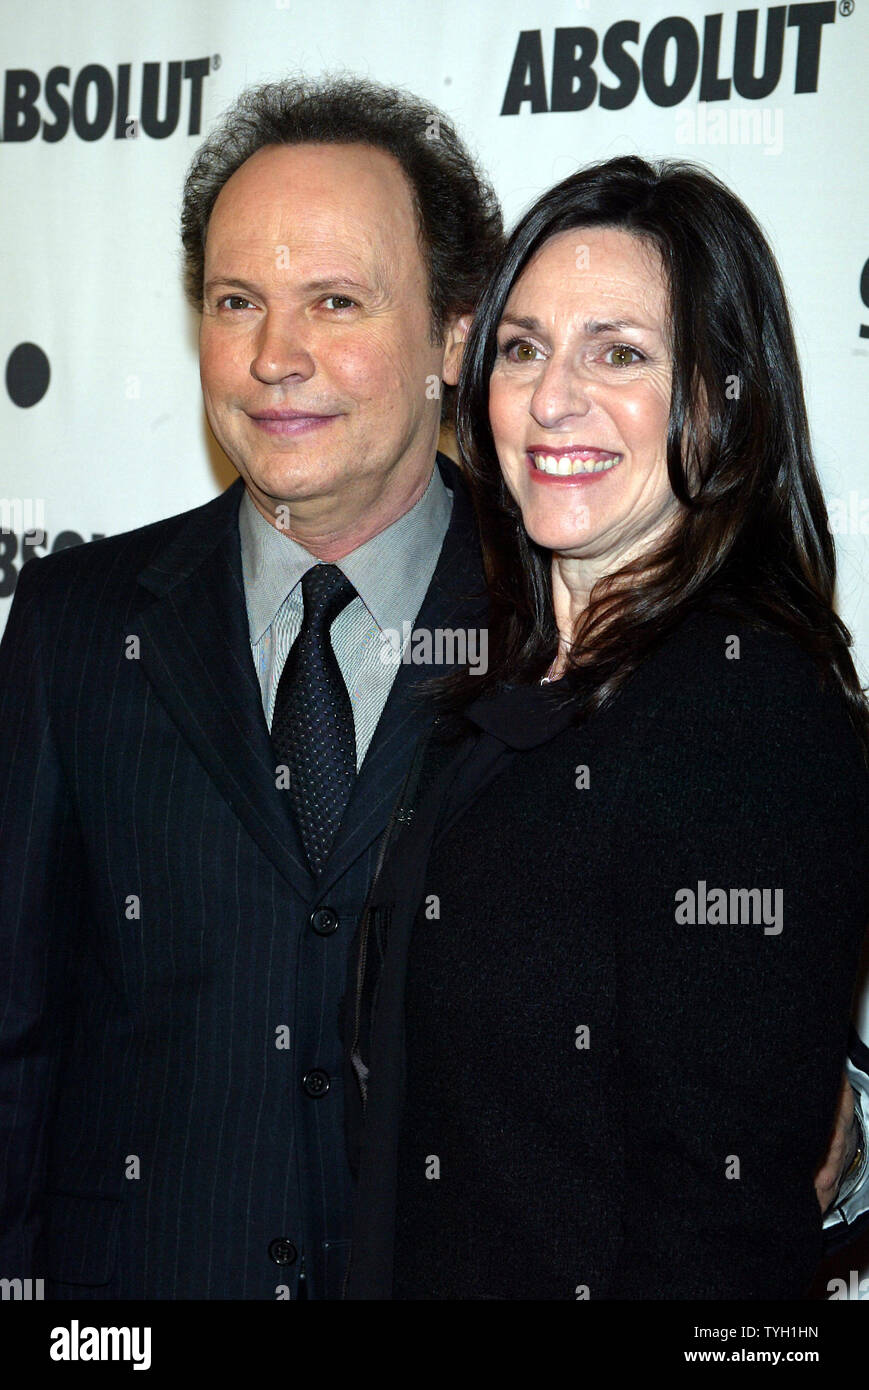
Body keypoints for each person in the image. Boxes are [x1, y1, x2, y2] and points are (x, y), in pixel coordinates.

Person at [0, 75, 502, 1300]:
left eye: (335, 300)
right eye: (237, 302)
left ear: (450, 331)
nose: (277, 357)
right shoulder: (76, 629)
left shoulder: (568, 623)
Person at [344, 155, 869, 1299]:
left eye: (618, 352)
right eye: (522, 347)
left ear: (722, 399)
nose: (550, 398)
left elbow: (718, 1227)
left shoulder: (743, 714)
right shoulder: (499, 688)